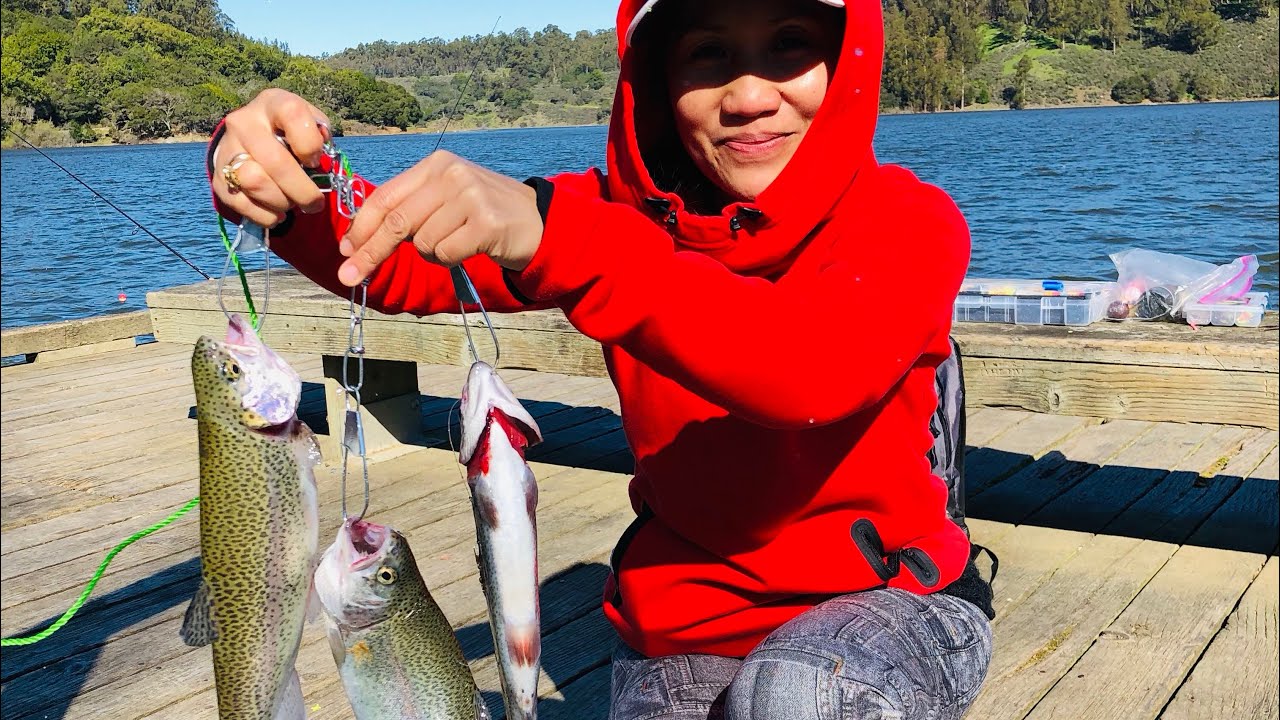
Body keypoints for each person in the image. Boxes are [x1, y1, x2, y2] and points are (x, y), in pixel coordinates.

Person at [205, 0, 997, 717]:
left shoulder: (908, 221)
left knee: (799, 694)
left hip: (894, 600)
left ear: (849, 61)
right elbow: (405, 266)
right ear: (655, 79)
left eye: (790, 45)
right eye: (708, 54)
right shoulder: (610, 220)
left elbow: (810, 369)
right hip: (683, 626)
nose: (751, 94)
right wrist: (289, 188)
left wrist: (559, 237)